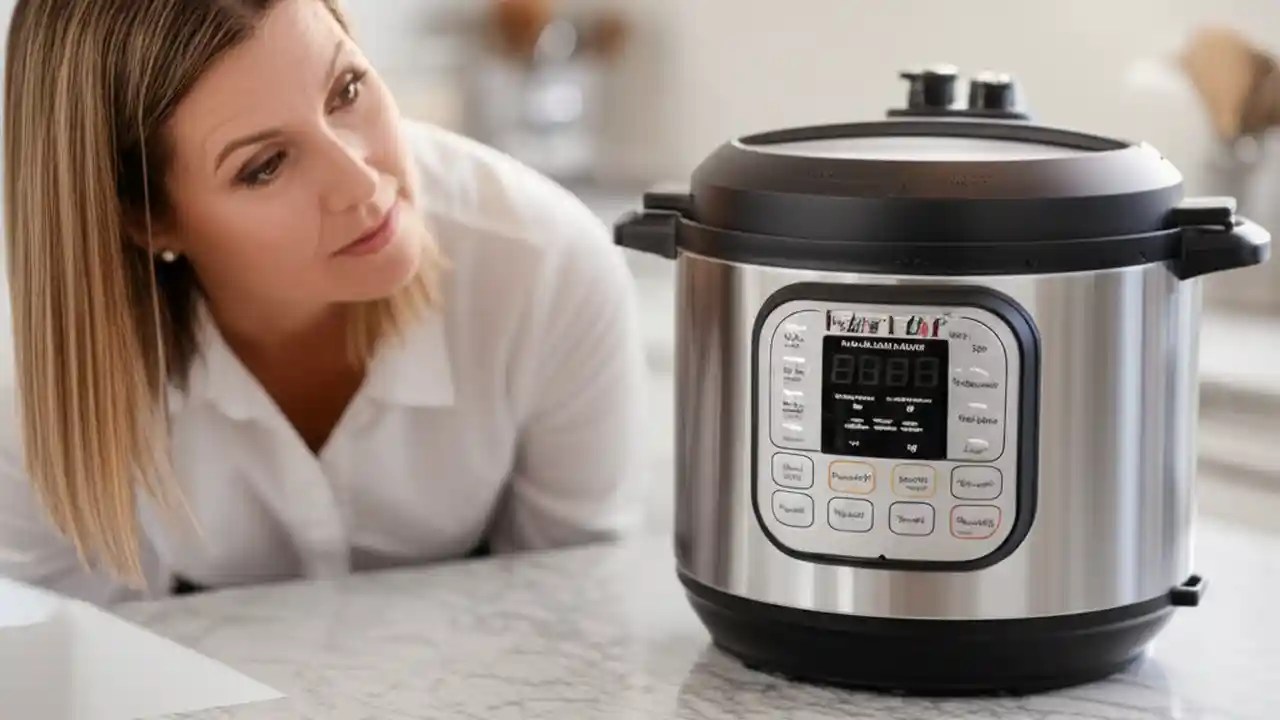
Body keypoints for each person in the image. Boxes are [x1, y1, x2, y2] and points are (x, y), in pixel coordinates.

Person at [0, 0, 647, 605]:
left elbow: (570, 610)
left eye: (347, 90)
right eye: (266, 165)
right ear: (147, 221)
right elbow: (80, 652)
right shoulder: (32, 371)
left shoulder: (543, 266)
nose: (361, 181)